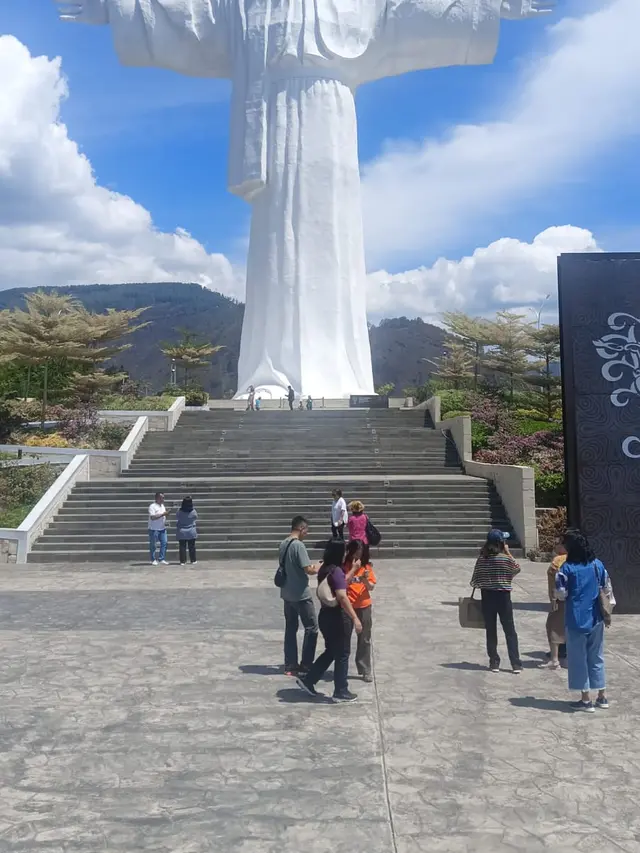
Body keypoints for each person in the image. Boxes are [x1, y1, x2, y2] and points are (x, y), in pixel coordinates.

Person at [297, 538, 362, 703]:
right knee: (342, 653)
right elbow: (341, 595)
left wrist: (353, 570)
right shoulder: (337, 571)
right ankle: (341, 690)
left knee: (332, 651)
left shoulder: (325, 569)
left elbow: (338, 585)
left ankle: (309, 680)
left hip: (325, 616)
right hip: (338, 617)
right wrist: (355, 618)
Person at [555, 529, 613, 712]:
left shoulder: (565, 568)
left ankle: (586, 699)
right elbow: (606, 588)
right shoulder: (597, 565)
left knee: (578, 658)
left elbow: (561, 594)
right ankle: (602, 696)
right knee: (596, 656)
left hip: (575, 618)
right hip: (596, 617)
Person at [470, 530, 522, 673]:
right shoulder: (505, 559)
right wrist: (508, 553)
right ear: (501, 543)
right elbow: (517, 569)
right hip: (503, 597)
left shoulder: (482, 558)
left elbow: (475, 580)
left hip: (487, 596)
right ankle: (515, 663)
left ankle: (494, 662)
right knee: (510, 630)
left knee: (491, 630)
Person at [279, 515, 319, 676]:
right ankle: (306, 664)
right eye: (306, 530)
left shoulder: (283, 544)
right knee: (312, 628)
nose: (307, 534)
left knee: (290, 629)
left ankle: (290, 664)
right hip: (301, 594)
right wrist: (318, 566)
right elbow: (308, 569)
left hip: (287, 593)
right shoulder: (298, 546)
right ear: (301, 528)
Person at [346, 540, 377, 683]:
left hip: (364, 605)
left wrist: (364, 579)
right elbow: (343, 583)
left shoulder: (366, 567)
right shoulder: (344, 566)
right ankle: (342, 667)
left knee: (364, 639)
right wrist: (352, 569)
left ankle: (365, 669)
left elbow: (371, 587)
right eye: (356, 550)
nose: (358, 553)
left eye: (361, 551)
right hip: (348, 605)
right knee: (343, 638)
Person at [539, 539, 567, 670]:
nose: (555, 546)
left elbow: (554, 578)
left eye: (557, 544)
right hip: (574, 600)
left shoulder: (558, 561)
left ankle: (555, 659)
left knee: (553, 626)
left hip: (559, 598)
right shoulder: (578, 559)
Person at [148, 492, 169, 566]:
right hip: (154, 529)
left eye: (163, 498)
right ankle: (153, 559)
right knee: (153, 545)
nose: (163, 499)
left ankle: (161, 558)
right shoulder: (152, 506)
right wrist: (163, 514)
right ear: (157, 498)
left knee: (165, 543)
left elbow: (163, 516)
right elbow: (152, 517)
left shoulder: (162, 506)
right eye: (161, 498)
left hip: (162, 528)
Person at [176, 496, 198, 565]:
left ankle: (183, 561)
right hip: (191, 530)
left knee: (182, 546)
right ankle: (193, 560)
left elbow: (177, 516)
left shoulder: (179, 511)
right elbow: (196, 517)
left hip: (182, 530)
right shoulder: (193, 511)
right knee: (192, 546)